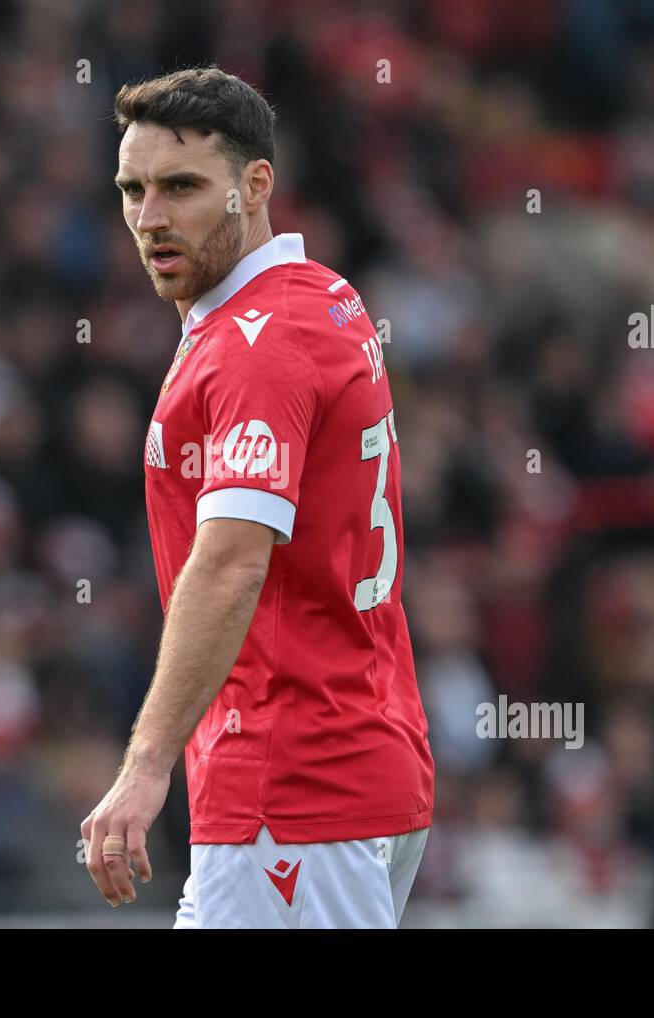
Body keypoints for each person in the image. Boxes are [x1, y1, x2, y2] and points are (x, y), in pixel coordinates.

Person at [81, 65, 434, 929]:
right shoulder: (322, 298)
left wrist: (146, 763)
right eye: (132, 189)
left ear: (256, 184)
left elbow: (234, 563)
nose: (150, 217)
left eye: (182, 187)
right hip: (357, 758)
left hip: (293, 782)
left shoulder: (256, 346)